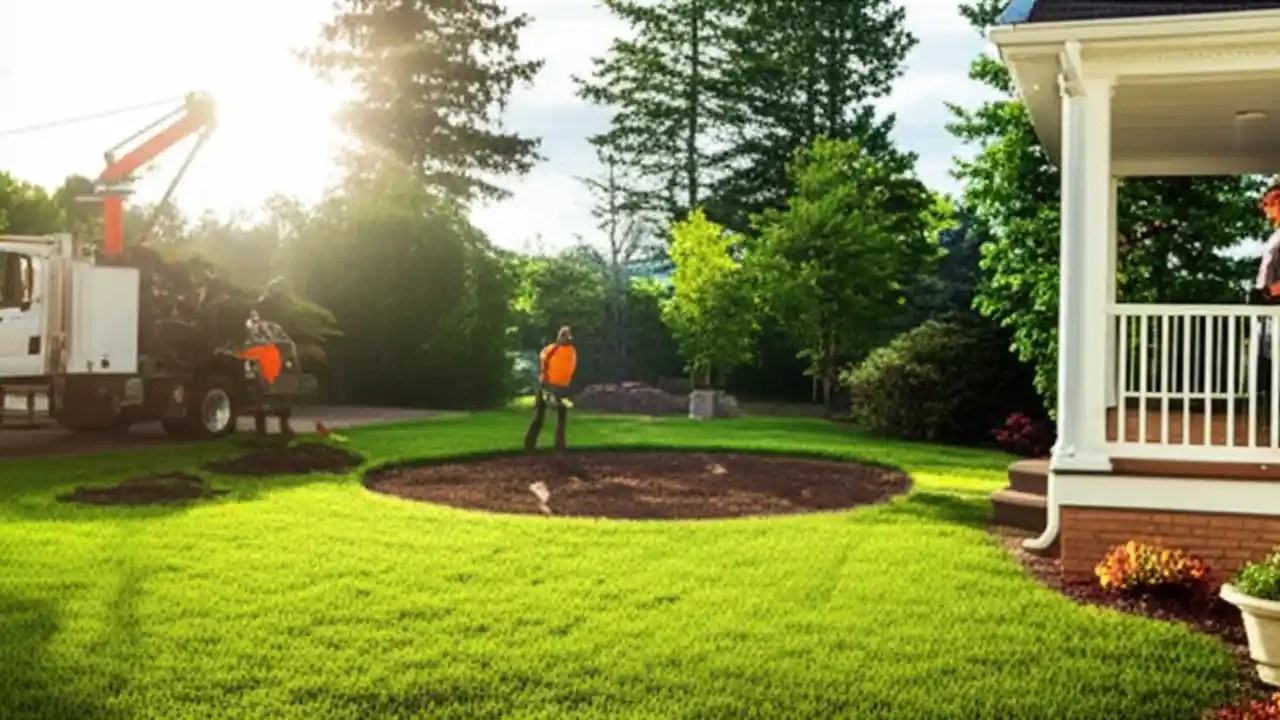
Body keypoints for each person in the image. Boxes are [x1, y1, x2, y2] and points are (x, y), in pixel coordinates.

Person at [525, 326, 577, 453]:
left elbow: (571, 368)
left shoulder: (571, 351)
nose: (566, 338)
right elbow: (543, 365)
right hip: (547, 385)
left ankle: (560, 446)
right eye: (564, 335)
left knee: (561, 416)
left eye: (567, 335)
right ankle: (529, 444)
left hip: (561, 387)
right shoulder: (551, 349)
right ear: (559, 336)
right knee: (539, 416)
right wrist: (546, 384)